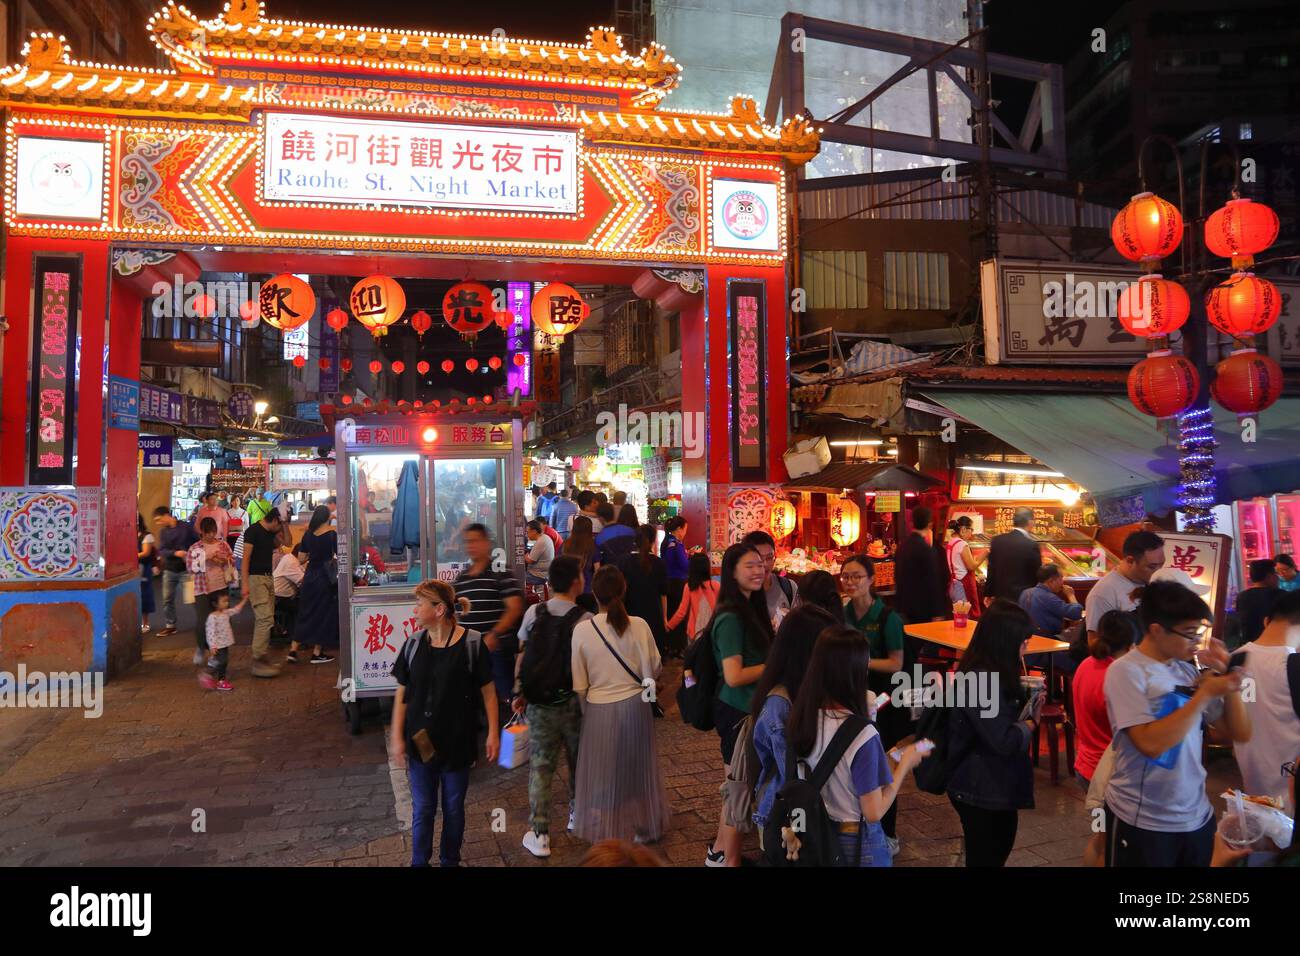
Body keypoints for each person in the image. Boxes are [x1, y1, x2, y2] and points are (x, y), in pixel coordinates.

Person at [1103, 580, 1252, 867]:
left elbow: (1237, 733)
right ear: (1157, 629)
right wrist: (1204, 694)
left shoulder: (1185, 669)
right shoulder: (1125, 671)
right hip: (1143, 817)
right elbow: (1150, 744)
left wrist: (1228, 678)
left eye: (1199, 634)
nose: (1197, 643)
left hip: (1196, 813)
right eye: (1189, 634)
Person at [788, 626, 929, 867]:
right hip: (855, 841)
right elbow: (873, 812)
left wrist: (887, 758)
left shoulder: (802, 718)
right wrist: (904, 765)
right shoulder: (863, 733)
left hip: (816, 834)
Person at [391, 580, 499, 867]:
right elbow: (402, 693)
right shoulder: (413, 644)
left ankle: (450, 860)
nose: (414, 610)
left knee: (453, 808)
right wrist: (397, 738)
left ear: (439, 609)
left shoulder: (472, 643)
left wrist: (492, 734)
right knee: (424, 808)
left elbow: (488, 692)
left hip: (457, 741)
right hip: (421, 741)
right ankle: (419, 862)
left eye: (419, 605)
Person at [570, 566, 669, 844]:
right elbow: (656, 666)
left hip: (598, 707)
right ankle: (643, 827)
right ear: (624, 590)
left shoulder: (582, 630)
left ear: (594, 594)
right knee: (638, 767)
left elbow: (579, 683)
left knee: (605, 771)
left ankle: (610, 831)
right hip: (636, 706)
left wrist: (585, 711)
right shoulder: (639, 625)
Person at [946, 600, 1042, 867]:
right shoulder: (979, 679)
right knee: (987, 855)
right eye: (1024, 640)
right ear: (1007, 640)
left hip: (988, 783)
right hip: (978, 785)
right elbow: (1003, 740)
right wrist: (1032, 722)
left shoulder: (988, 671)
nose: (1027, 646)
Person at [514, 556, 590, 858]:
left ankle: (541, 834)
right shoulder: (586, 620)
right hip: (573, 704)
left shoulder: (534, 612)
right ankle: (577, 815)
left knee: (541, 769)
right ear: (575, 582)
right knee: (578, 764)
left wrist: (518, 692)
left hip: (540, 705)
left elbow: (522, 654)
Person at [705, 542, 774, 867]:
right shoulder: (731, 617)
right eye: (749, 565)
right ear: (731, 572)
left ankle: (720, 851)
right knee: (738, 790)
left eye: (761, 563)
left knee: (738, 787)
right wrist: (777, 662)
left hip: (749, 709)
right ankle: (725, 858)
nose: (758, 569)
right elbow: (733, 675)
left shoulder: (751, 609)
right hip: (737, 712)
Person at [840, 553, 908, 853]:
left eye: (857, 576)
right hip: (852, 699)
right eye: (846, 576)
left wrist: (861, 661)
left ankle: (888, 833)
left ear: (871, 580)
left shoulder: (887, 618)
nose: (851, 581)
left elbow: (896, 663)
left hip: (883, 702)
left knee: (882, 766)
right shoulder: (843, 614)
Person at [749, 604, 837, 833]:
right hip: (790, 814)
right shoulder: (779, 706)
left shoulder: (807, 688)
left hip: (810, 805)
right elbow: (793, 775)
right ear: (808, 651)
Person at [1230, 590, 1300, 803]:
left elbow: (1247, 705)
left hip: (1254, 791)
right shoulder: (1293, 664)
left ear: (1266, 621)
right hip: (1291, 798)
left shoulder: (1235, 658)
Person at [454, 523, 524, 716]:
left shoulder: (499, 570)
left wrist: (495, 634)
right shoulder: (462, 578)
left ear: (486, 543)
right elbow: (458, 616)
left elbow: (515, 607)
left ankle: (509, 743)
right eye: (468, 542)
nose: (471, 546)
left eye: (475, 541)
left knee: (506, 704)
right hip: (471, 653)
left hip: (497, 651)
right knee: (473, 705)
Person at [1074, 609, 1140, 785]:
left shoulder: (1086, 664)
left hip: (1085, 765)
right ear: (1131, 646)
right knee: (1106, 813)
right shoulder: (1119, 678)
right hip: (1109, 773)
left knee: (1098, 814)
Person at [1084, 529, 1166, 646]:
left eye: (1161, 565)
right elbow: (1094, 642)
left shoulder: (1153, 582)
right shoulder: (1104, 592)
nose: (1158, 571)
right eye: (1152, 567)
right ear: (1130, 561)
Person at [286, 505, 339, 665]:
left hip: (310, 577)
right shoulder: (332, 534)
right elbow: (340, 555)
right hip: (324, 578)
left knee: (305, 613)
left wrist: (312, 555)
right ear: (327, 517)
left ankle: (293, 650)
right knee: (323, 614)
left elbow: (301, 558)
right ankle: (317, 653)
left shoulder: (308, 535)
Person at [239, 507, 284, 677]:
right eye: (279, 525)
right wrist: (244, 583)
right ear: (273, 520)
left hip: (268, 578)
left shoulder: (270, 533)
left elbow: (286, 541)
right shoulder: (252, 531)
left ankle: (262, 657)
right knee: (265, 619)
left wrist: (284, 524)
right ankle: (258, 660)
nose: (279, 529)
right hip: (256, 579)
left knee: (266, 618)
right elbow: (246, 559)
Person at [187, 517, 235, 666]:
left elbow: (231, 561)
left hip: (221, 587)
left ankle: (217, 657)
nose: (211, 535)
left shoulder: (223, 545)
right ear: (202, 532)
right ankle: (202, 647)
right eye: (208, 533)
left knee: (221, 624)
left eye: (213, 532)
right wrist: (207, 557)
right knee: (202, 622)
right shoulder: (195, 548)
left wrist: (223, 561)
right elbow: (191, 568)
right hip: (202, 589)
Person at [618, 525, 669, 654]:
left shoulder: (624, 561)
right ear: (653, 541)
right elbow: (663, 594)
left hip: (629, 613)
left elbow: (620, 592)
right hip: (654, 615)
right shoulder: (659, 563)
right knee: (652, 654)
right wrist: (664, 619)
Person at [894, 506, 948, 624]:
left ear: (912, 523)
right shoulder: (927, 549)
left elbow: (897, 576)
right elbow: (933, 581)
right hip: (922, 609)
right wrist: (938, 612)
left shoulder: (902, 547)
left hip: (903, 605)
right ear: (930, 524)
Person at [152, 506, 198, 638]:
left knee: (193, 599)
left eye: (159, 519)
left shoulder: (186, 527)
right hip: (169, 569)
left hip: (187, 569)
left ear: (167, 515)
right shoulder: (163, 532)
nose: (158, 523)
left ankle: (205, 623)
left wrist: (190, 554)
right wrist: (175, 553)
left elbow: (197, 542)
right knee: (167, 599)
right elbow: (162, 550)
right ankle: (170, 625)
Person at [984, 507, 1042, 605]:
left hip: (1001, 596)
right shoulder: (1031, 544)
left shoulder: (997, 540)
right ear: (1030, 522)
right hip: (1023, 598)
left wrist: (989, 593)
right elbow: (1037, 574)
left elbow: (991, 569)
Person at [741, 530, 798, 630]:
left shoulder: (789, 587)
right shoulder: (739, 593)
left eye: (769, 557)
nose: (765, 564)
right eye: (760, 558)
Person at [197, 590, 247, 692]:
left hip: (224, 643)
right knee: (222, 662)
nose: (227, 603)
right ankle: (218, 680)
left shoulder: (225, 612)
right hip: (218, 645)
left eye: (227, 601)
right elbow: (210, 633)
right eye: (224, 601)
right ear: (215, 604)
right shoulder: (213, 617)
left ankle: (210, 674)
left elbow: (236, 609)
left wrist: (245, 600)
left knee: (218, 662)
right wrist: (212, 646)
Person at [666, 551, 719, 642]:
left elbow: (681, 612)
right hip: (713, 631)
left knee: (694, 655)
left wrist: (669, 625)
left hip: (694, 633)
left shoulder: (689, 587)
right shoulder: (716, 586)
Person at [1019, 564, 1084, 636]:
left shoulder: (1025, 592)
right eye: (1061, 578)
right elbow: (1076, 613)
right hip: (1046, 639)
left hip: (1027, 636)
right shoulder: (1048, 597)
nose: (1062, 582)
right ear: (1051, 581)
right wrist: (1071, 595)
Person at [1235, 558, 1281, 647]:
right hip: (1275, 646)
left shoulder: (1242, 597)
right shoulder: (1281, 595)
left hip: (1248, 646)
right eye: (1276, 574)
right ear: (1269, 576)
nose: (1278, 577)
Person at [661, 517, 690, 656]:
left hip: (669, 583)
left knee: (671, 612)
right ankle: (678, 647)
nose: (685, 532)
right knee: (679, 614)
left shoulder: (667, 542)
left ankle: (672, 645)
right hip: (678, 584)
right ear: (679, 529)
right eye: (685, 529)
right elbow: (685, 565)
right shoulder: (676, 545)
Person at [945, 516, 983, 617]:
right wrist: (985, 554)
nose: (972, 533)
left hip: (954, 584)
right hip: (963, 586)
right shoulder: (962, 544)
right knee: (967, 618)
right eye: (971, 529)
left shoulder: (951, 542)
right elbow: (971, 566)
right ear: (963, 529)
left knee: (959, 617)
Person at [272, 545, 303, 642]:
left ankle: (294, 635)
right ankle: (297, 637)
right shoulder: (291, 561)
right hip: (278, 598)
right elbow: (302, 580)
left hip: (280, 596)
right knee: (303, 608)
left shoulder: (290, 557)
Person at [562, 516, 598, 593]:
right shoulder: (592, 546)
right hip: (586, 588)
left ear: (574, 528)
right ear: (590, 530)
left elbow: (559, 566)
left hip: (567, 588)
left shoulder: (565, 544)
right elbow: (597, 570)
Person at [137, 515, 156, 635]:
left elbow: (146, 552)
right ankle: (136, 623)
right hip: (133, 568)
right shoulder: (128, 534)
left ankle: (146, 623)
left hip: (144, 569)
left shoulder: (147, 535)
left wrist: (129, 555)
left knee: (144, 596)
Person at [525, 519, 555, 587]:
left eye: (527, 532)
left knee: (518, 578)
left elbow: (530, 560)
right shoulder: (545, 537)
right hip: (545, 573)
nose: (527, 535)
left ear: (534, 531)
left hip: (539, 576)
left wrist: (524, 555)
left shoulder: (541, 541)